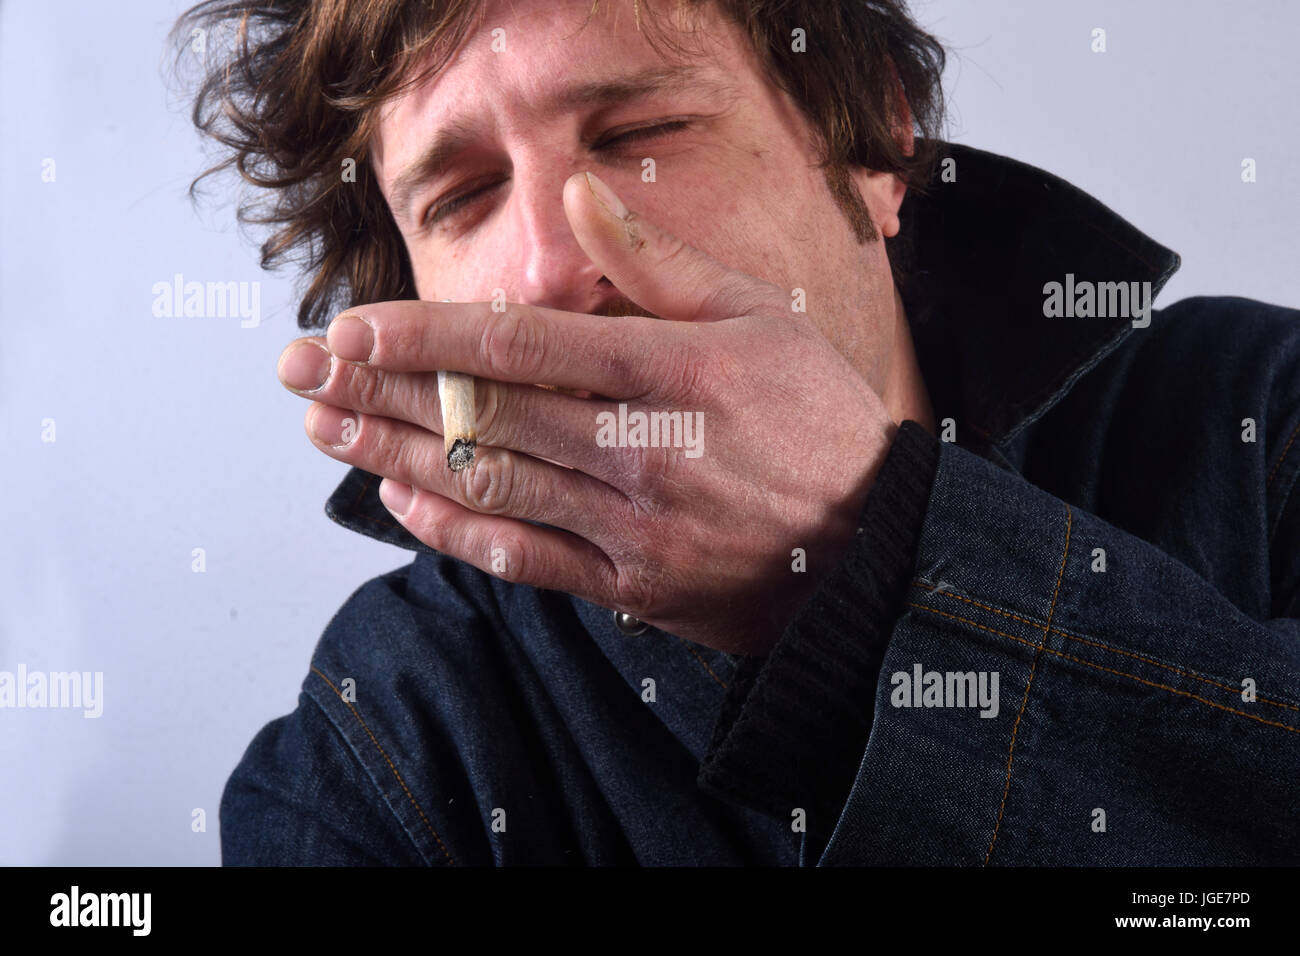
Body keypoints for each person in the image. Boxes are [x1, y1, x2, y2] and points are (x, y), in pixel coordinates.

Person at [181, 0, 1300, 865]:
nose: (543, 269)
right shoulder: (385, 736)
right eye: (462, 195)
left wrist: (875, 565)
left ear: (873, 151)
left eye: (641, 133)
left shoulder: (1263, 414)